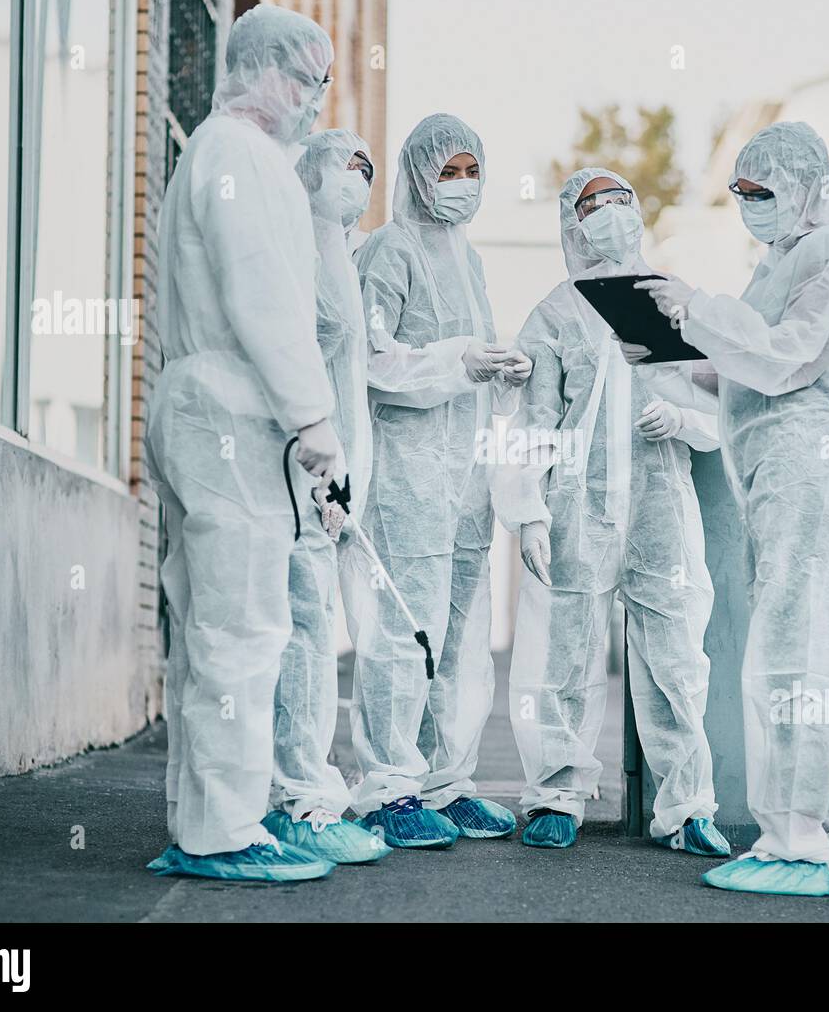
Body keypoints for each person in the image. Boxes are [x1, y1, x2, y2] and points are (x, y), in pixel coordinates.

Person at [635, 121, 829, 898]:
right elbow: (744, 370)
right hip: (783, 470)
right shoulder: (778, 265)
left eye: (764, 191)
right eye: (741, 192)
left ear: (809, 185)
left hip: (815, 466)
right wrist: (670, 348)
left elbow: (786, 357)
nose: (750, 203)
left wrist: (697, 310)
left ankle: (792, 842)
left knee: (794, 652)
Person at [144, 5, 342, 882]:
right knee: (242, 630)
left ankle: (205, 817)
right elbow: (264, 297)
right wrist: (315, 419)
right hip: (230, 414)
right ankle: (222, 831)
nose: (313, 98)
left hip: (202, 405)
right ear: (258, 70)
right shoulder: (241, 157)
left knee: (209, 632)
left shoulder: (218, 155)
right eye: (303, 77)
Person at [493, 168, 728, 854]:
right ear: (573, 221)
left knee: (677, 659)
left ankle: (687, 808)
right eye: (596, 203)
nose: (613, 213)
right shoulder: (558, 314)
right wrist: (528, 510)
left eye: (622, 199)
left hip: (659, 505)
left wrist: (680, 416)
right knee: (563, 655)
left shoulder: (659, 303)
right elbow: (534, 422)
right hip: (578, 507)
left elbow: (716, 415)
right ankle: (556, 796)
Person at [344, 114, 531, 848]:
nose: (460, 187)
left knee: (459, 632)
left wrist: (505, 370)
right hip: (409, 471)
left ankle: (445, 782)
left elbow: (472, 365)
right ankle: (389, 787)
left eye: (470, 171)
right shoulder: (388, 250)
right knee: (402, 629)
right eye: (446, 172)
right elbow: (373, 357)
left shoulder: (470, 257)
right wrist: (459, 359)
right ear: (417, 174)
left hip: (465, 475)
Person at [261, 130, 389, 865]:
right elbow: (294, 361)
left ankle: (309, 791)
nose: (360, 179)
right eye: (349, 164)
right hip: (302, 476)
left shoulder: (339, 251)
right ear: (309, 168)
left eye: (370, 170)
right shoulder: (296, 248)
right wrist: (319, 472)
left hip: (333, 483)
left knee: (315, 634)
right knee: (301, 636)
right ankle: (297, 799)